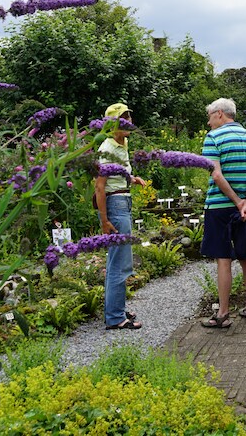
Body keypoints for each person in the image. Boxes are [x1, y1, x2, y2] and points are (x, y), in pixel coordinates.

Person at [200, 98, 246, 329]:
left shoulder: (214, 138)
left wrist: (238, 201)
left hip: (219, 206)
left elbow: (216, 175)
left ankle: (223, 314)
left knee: (223, 259)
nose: (209, 122)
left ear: (219, 114)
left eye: (209, 116)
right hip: (245, 210)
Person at [96, 102, 146, 330]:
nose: (128, 122)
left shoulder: (122, 143)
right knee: (120, 263)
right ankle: (115, 318)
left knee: (116, 260)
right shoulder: (107, 148)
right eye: (123, 118)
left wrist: (132, 179)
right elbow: (100, 186)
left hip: (123, 200)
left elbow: (118, 174)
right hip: (115, 205)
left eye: (129, 117)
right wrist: (104, 220)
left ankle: (115, 310)